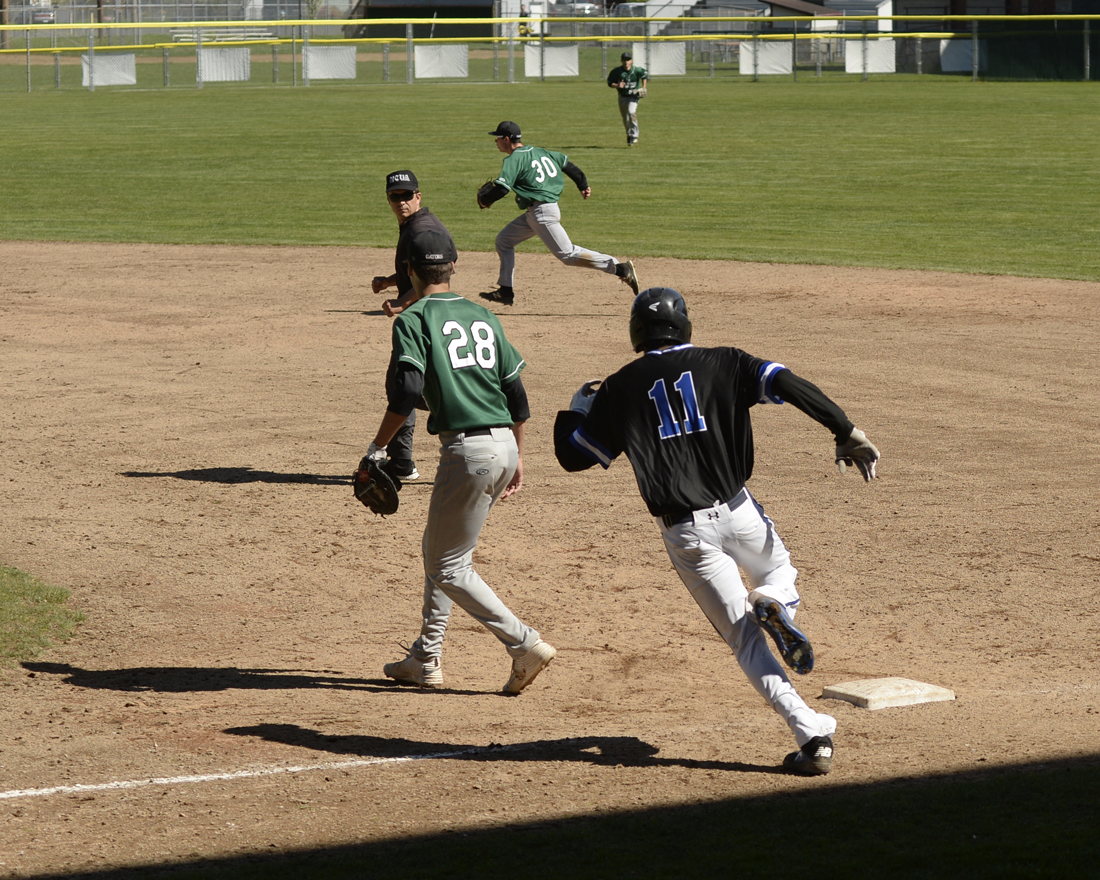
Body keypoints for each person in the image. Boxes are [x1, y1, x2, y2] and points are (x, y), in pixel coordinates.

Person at [553, 287, 881, 775]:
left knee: (745, 641)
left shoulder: (620, 387)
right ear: (684, 325)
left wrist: (577, 409)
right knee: (780, 571)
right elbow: (788, 382)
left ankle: (809, 733)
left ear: (636, 331)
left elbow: (573, 457)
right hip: (739, 510)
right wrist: (844, 428)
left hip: (686, 534)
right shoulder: (725, 361)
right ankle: (774, 600)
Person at [363, 227, 556, 695]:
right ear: (453, 266)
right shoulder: (483, 314)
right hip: (504, 446)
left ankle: (523, 643)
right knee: (443, 550)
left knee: (448, 566)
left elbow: (407, 391)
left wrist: (377, 448)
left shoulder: (411, 318)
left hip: (468, 453)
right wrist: (519, 456)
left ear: (408, 271)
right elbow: (517, 394)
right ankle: (425, 657)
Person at [477, 121, 639, 306]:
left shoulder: (514, 159)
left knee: (567, 254)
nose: (496, 142)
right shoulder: (542, 152)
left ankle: (619, 268)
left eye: (497, 138)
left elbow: (503, 189)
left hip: (542, 214)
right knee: (504, 240)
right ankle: (506, 290)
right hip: (537, 213)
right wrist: (583, 185)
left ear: (506, 139)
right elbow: (570, 167)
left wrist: (485, 200)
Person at [370, 170, 459, 481]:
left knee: (402, 385)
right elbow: (420, 267)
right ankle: (403, 459)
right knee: (405, 383)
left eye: (407, 196)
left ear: (419, 197)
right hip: (431, 314)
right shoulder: (414, 227)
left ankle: (405, 458)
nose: (401, 201)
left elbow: (441, 269)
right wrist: (390, 281)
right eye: (395, 196)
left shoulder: (423, 229)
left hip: (423, 317)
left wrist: (401, 302)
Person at [607, 50, 647, 146]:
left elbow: (644, 75)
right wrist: (617, 85)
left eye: (628, 60)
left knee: (631, 113)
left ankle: (634, 135)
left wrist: (644, 87)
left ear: (631, 61)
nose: (626, 62)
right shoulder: (617, 71)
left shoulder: (637, 70)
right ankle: (629, 134)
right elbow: (609, 83)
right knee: (625, 118)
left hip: (633, 96)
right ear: (621, 61)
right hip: (622, 97)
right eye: (624, 60)